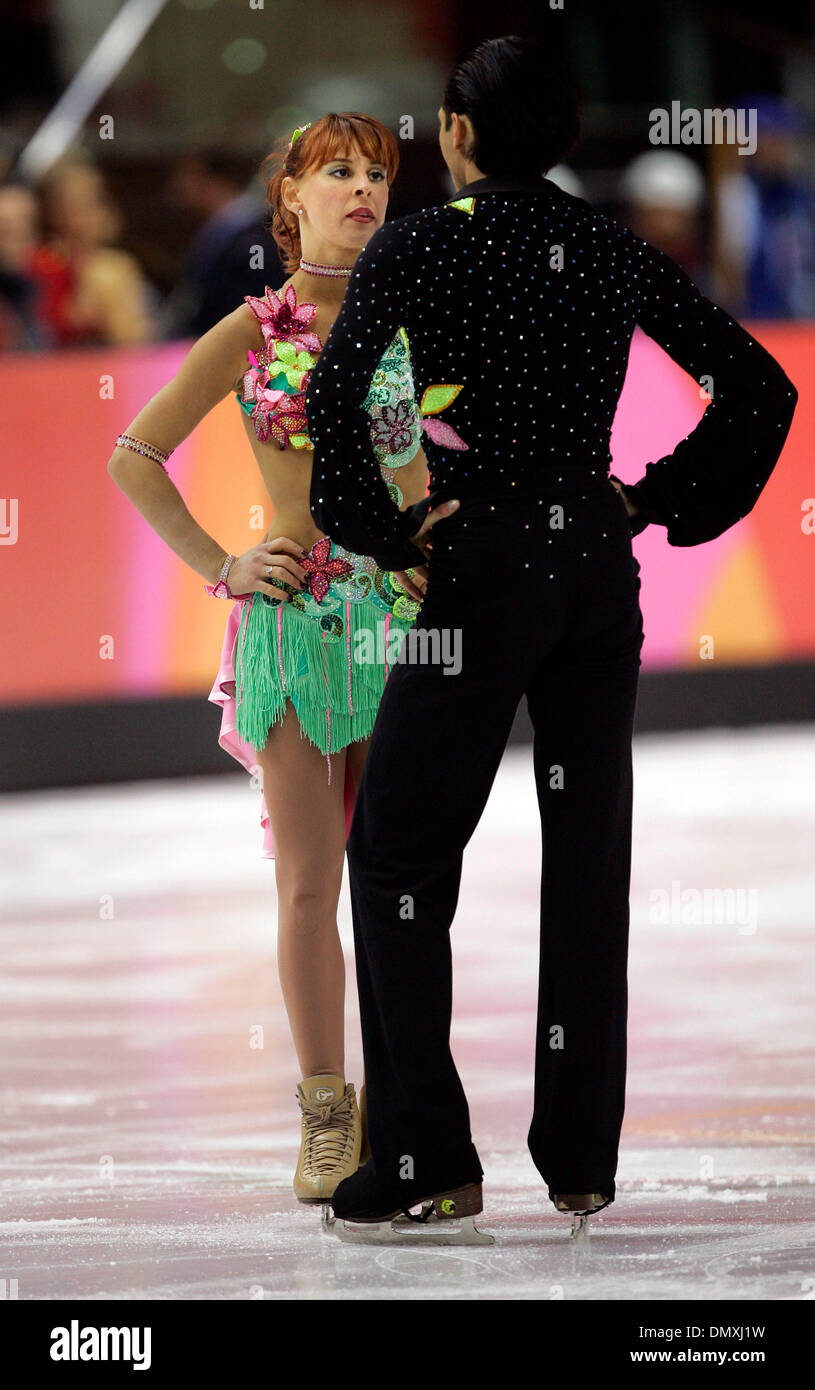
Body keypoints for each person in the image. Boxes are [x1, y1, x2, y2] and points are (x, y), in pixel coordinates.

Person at [305, 36, 798, 1242]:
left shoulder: (420, 245)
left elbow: (332, 406)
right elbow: (759, 389)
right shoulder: (614, 246)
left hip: (476, 574)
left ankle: (421, 1156)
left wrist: (398, 530)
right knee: (586, 861)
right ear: (566, 137)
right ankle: (579, 1160)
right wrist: (654, 497)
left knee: (399, 855)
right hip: (592, 564)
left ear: (456, 134)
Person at [107, 113, 456, 1211]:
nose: (362, 190)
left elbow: (431, 488)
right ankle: (324, 1110)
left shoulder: (416, 322)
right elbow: (135, 455)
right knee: (311, 882)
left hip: (397, 630)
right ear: (289, 199)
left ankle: (407, 1107)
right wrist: (223, 562)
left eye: (377, 174)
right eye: (336, 173)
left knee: (401, 886)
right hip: (296, 627)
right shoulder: (254, 330)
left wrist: (439, 573)